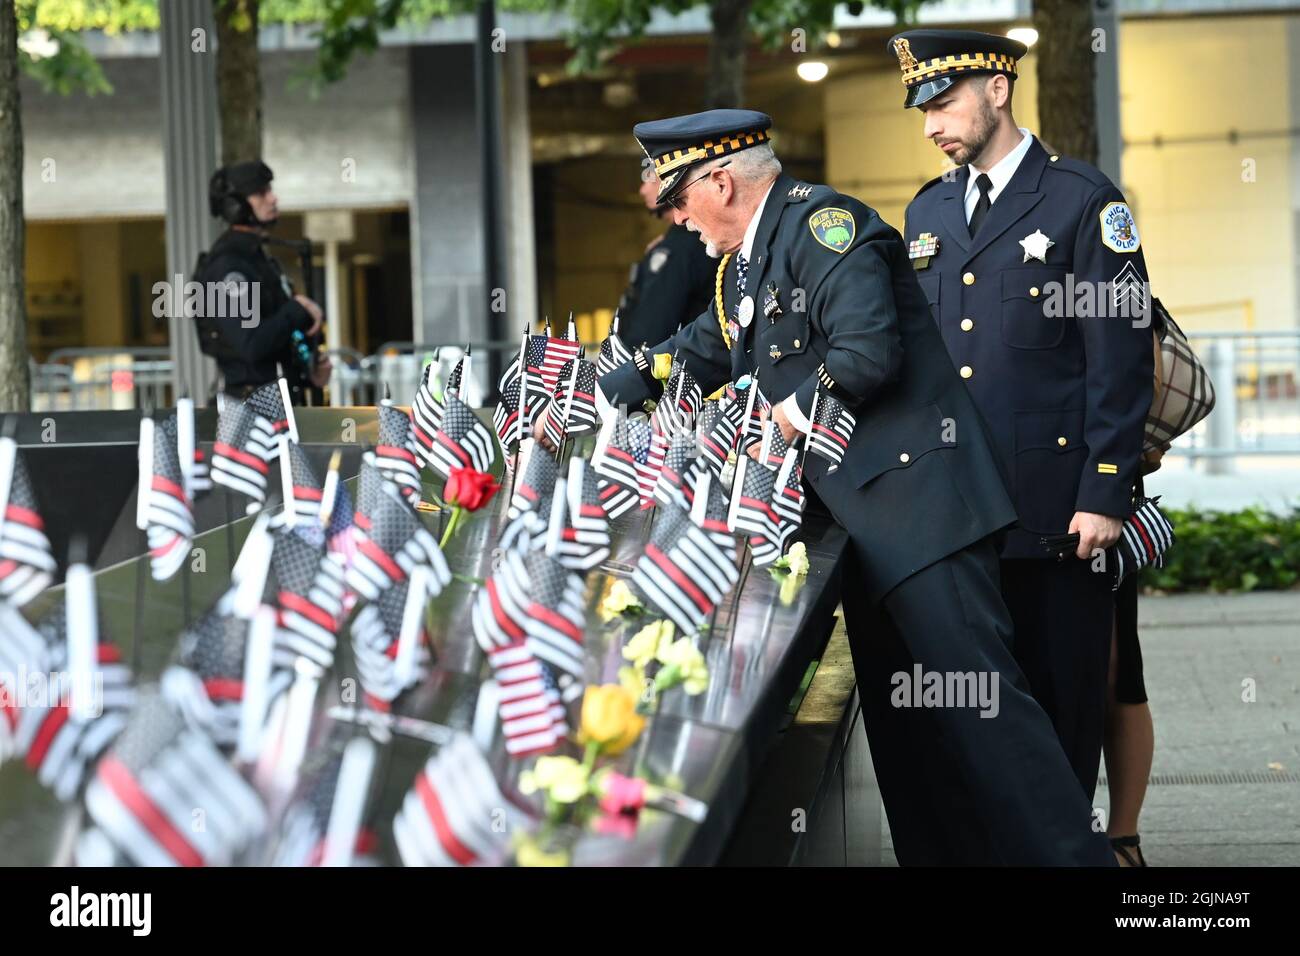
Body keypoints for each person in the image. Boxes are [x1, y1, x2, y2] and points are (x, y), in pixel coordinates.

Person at [586, 108, 1115, 865]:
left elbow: (867, 352)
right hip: (859, 526)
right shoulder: (746, 259)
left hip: (920, 516)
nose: (676, 220)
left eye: (677, 201)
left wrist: (788, 414)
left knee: (991, 728)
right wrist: (612, 389)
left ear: (721, 181)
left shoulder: (827, 226)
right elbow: (706, 345)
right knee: (909, 743)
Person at [892, 29, 1156, 860]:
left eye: (942, 104)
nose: (932, 125)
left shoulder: (1083, 200)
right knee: (980, 724)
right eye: (923, 111)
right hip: (963, 519)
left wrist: (1105, 490)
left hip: (1059, 519)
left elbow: (1119, 362)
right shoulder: (927, 209)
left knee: (1062, 718)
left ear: (997, 89)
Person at [194, 160, 331, 404]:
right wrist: (297, 309)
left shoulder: (258, 259)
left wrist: (309, 371)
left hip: (280, 405)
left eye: (270, 190)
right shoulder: (229, 266)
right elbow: (251, 344)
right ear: (236, 205)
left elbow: (276, 342)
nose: (273, 198)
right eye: (261, 193)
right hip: (253, 414)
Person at [616, 160, 717, 349]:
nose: (643, 190)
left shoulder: (678, 249)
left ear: (670, 182)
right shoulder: (679, 244)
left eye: (649, 181)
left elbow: (651, 331)